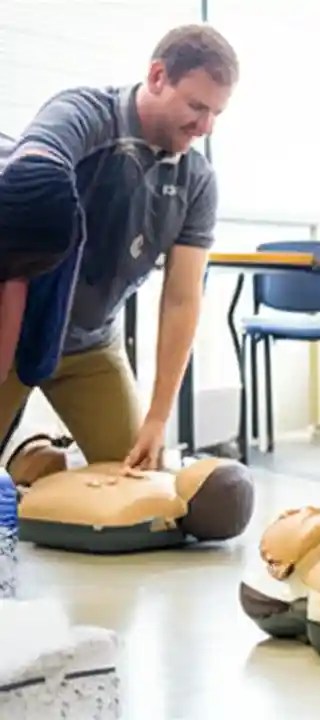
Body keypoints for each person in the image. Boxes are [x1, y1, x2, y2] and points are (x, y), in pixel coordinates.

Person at [0, 24, 237, 470]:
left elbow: (182, 300)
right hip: (16, 328)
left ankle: (30, 450)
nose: (204, 127)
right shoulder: (85, 113)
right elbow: (28, 178)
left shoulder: (198, 180)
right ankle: (19, 443)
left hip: (90, 343)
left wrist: (157, 418)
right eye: (196, 106)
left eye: (216, 114)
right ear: (156, 77)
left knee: (137, 477)